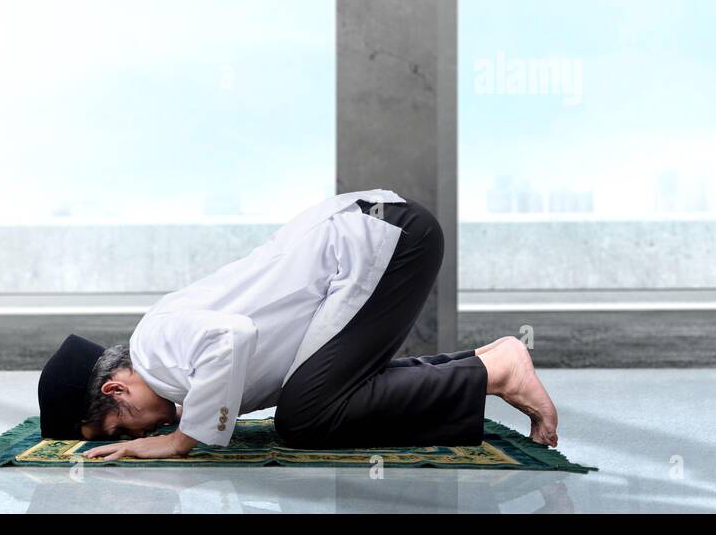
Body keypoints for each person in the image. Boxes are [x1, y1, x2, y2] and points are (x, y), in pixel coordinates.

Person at [36, 189, 558, 460]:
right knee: (314, 398)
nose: (143, 433)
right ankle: (482, 366)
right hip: (380, 238)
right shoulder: (173, 368)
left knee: (305, 415)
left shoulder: (155, 343)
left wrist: (182, 442)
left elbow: (231, 335)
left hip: (385, 238)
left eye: (121, 427)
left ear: (115, 386)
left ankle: (496, 372)